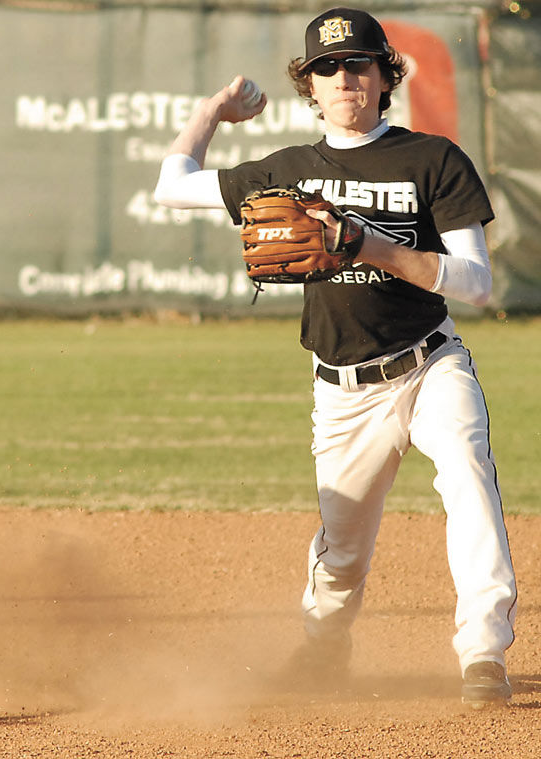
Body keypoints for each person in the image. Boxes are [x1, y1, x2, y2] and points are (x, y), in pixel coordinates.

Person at [153, 7, 516, 707]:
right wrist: (213, 111)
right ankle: (324, 646)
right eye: (326, 67)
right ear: (309, 87)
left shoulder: (431, 160)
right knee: (342, 553)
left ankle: (482, 652)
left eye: (357, 64)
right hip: (343, 387)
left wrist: (367, 244)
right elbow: (172, 185)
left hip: (430, 363)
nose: (343, 76)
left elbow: (476, 282)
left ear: (385, 77)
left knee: (470, 484)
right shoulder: (287, 171)